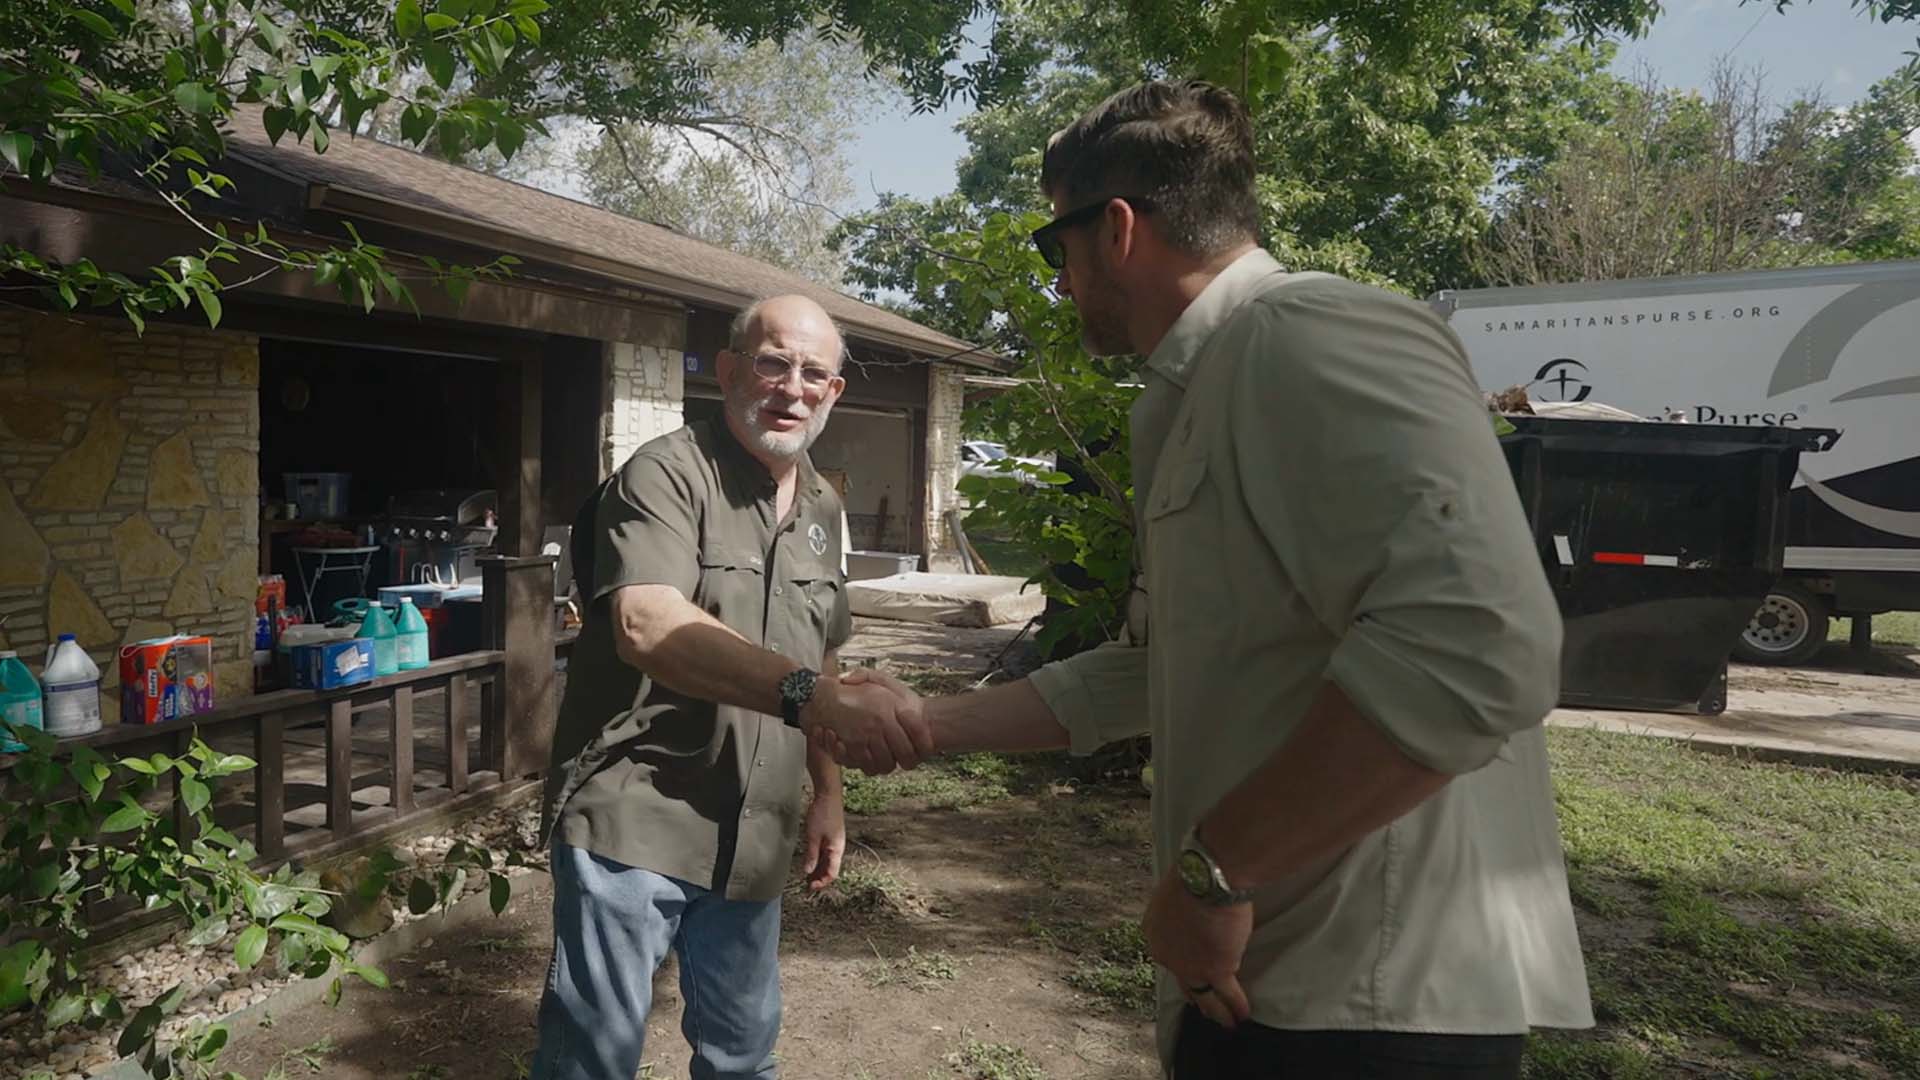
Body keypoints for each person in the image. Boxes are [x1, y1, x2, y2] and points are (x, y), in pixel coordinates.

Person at [829, 80, 1593, 1078]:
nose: (1058, 285)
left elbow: (1480, 650)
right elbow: (1173, 664)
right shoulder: (1196, 389)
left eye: (1051, 248)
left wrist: (1213, 874)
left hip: (1370, 1005)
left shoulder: (1308, 336)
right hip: (1267, 993)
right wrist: (929, 723)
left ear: (1115, 230)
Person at [533, 294, 932, 1080]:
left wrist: (827, 792)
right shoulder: (667, 474)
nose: (792, 388)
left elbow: (818, 649)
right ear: (726, 371)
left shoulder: (822, 503)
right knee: (594, 1058)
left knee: (742, 1056)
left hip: (755, 824)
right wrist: (819, 701)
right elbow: (647, 624)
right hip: (635, 815)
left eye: (814, 373)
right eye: (773, 363)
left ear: (835, 392)